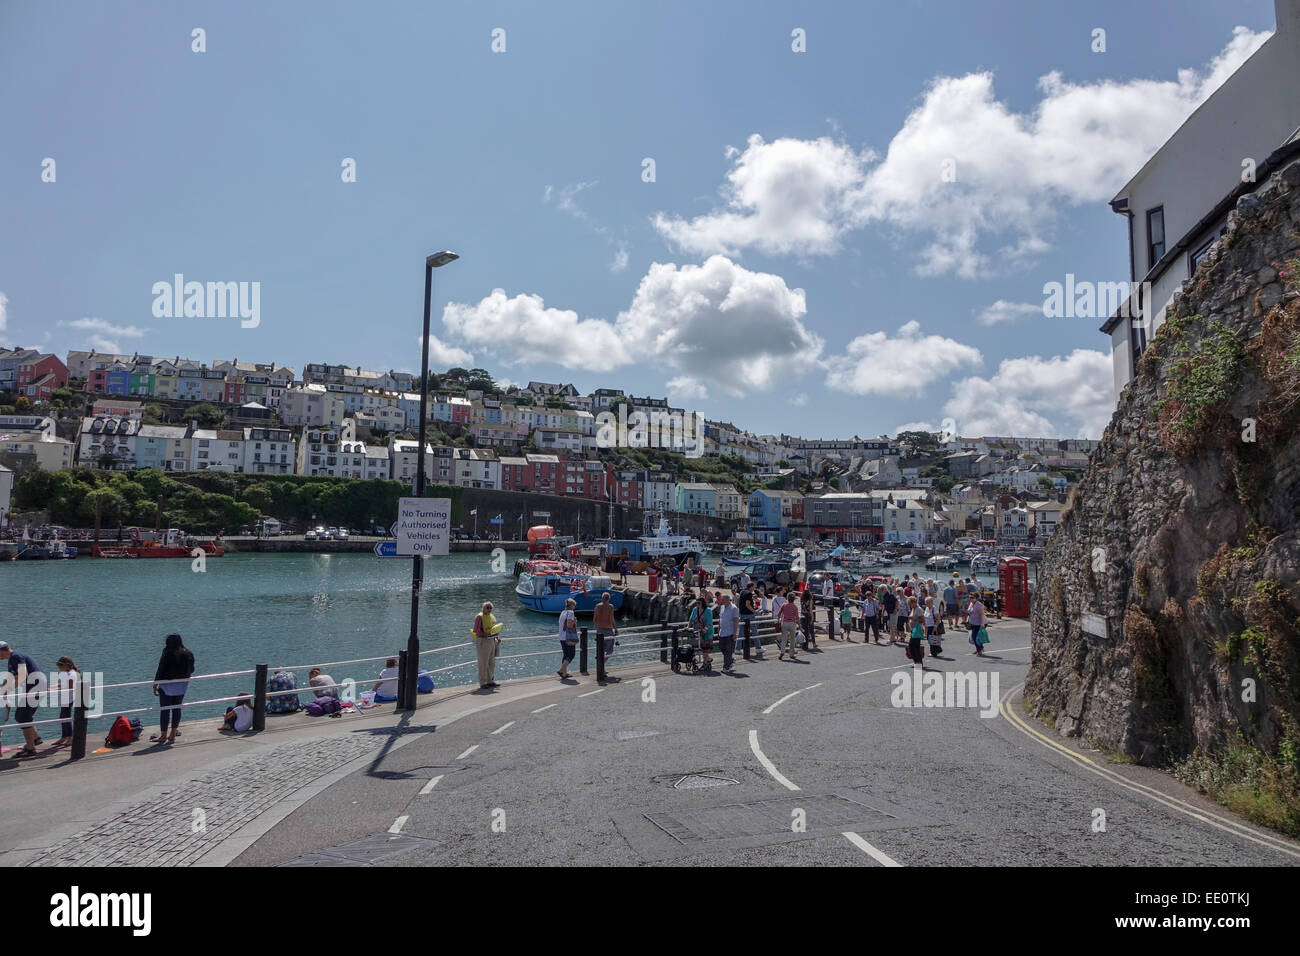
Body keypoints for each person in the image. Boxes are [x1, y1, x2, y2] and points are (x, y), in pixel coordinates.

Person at [1, 641, 44, 755]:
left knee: (22, 716)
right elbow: (11, 677)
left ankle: (30, 748)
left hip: (34, 686)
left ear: (2, 651)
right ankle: (35, 739)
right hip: (36, 686)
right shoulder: (12, 659)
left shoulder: (16, 656)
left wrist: (8, 690)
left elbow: (22, 676)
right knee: (25, 715)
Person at [152, 633, 195, 744]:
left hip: (167, 685)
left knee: (165, 710)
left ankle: (163, 735)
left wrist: (155, 684)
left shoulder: (167, 652)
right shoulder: (188, 653)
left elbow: (161, 669)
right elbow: (192, 670)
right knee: (177, 709)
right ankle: (172, 735)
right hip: (182, 686)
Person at [472, 602, 503, 689]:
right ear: (483, 608)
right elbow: (476, 631)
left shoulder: (491, 616)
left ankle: (490, 681)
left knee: (491, 663)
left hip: (492, 641)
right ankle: (482, 683)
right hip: (483, 641)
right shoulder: (479, 617)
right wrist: (486, 635)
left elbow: (494, 629)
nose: (489, 609)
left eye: (490, 608)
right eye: (487, 607)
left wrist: (497, 637)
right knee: (483, 663)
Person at [53, 657, 79, 748]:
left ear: (66, 665)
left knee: (66, 718)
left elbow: (69, 688)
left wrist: (57, 689)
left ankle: (70, 738)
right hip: (65, 699)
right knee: (62, 717)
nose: (59, 668)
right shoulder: (68, 673)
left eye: (60, 666)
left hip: (69, 699)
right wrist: (53, 687)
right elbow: (64, 685)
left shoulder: (71, 674)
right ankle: (64, 737)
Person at [592, 592, 618, 680]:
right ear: (609, 599)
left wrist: (597, 627)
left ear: (602, 598)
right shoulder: (610, 607)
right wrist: (616, 629)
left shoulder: (597, 606)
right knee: (609, 650)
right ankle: (601, 666)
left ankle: (601, 668)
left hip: (599, 630)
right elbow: (611, 619)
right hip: (608, 630)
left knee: (600, 650)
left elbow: (594, 619)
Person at [687, 593, 714, 671]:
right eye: (696, 603)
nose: (697, 604)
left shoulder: (708, 610)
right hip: (697, 631)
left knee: (705, 650)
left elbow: (709, 622)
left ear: (702, 603)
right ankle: (708, 660)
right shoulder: (695, 609)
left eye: (699, 603)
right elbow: (691, 619)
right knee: (699, 648)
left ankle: (705, 663)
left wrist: (704, 630)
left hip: (706, 633)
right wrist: (688, 626)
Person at [715, 591, 740, 672]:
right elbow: (720, 619)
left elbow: (736, 621)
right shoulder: (722, 607)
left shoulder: (734, 608)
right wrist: (718, 629)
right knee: (722, 647)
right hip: (722, 632)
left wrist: (735, 633)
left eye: (723, 599)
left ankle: (726, 667)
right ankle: (730, 660)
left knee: (728, 651)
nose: (721, 601)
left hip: (730, 632)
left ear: (728, 600)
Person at [558, 598, 578, 679]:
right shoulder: (571, 612)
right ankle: (561, 670)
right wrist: (575, 621)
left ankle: (564, 673)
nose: (575, 607)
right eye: (574, 605)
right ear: (572, 605)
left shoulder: (563, 612)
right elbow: (569, 625)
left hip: (561, 636)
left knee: (565, 655)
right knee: (571, 655)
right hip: (568, 637)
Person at [776, 592, 801, 660]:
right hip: (792, 623)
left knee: (784, 639)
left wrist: (778, 621)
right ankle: (791, 654)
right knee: (792, 639)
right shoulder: (795, 607)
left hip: (784, 623)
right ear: (794, 599)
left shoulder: (784, 605)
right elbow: (797, 617)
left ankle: (782, 652)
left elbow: (778, 614)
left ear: (787, 598)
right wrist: (799, 625)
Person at [907, 597, 926, 669]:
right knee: (915, 647)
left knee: (912, 646)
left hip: (917, 630)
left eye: (911, 604)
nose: (910, 605)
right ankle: (917, 662)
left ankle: (918, 662)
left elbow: (923, 620)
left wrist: (914, 618)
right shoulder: (913, 609)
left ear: (914, 602)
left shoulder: (918, 609)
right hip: (913, 629)